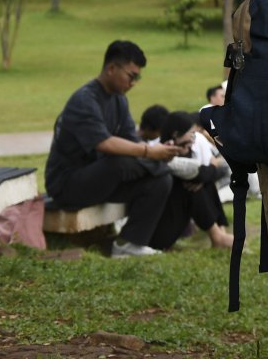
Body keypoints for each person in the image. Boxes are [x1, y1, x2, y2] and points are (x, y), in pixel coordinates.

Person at [44, 41, 182, 258]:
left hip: (101, 179)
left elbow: (131, 140)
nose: (134, 82)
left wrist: (159, 153)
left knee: (161, 179)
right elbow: (105, 144)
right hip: (67, 185)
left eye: (138, 78)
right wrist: (149, 153)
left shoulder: (119, 101)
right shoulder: (84, 100)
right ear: (111, 69)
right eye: (131, 75)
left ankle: (129, 243)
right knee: (119, 162)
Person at [146, 111, 233, 251]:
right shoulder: (164, 153)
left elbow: (207, 173)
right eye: (191, 133)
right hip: (154, 234)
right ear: (175, 134)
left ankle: (219, 234)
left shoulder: (181, 149)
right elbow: (201, 173)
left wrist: (205, 174)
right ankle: (218, 237)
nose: (194, 138)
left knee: (202, 182)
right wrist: (207, 172)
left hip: (168, 224)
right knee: (191, 185)